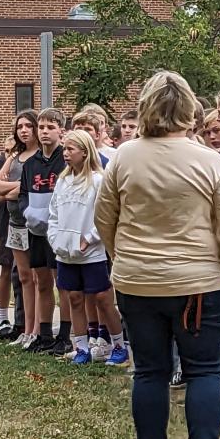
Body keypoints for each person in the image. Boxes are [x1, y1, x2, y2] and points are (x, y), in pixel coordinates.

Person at [94, 70, 220, 439]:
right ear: (191, 110)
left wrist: (121, 257)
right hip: (198, 281)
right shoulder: (209, 160)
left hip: (137, 280)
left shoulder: (124, 157)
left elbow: (103, 218)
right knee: (203, 371)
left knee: (149, 371)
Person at [47, 130, 129, 367]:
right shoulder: (62, 181)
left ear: (85, 152)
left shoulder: (97, 181)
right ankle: (82, 347)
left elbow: (106, 215)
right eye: (65, 149)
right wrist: (55, 239)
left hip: (91, 253)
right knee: (73, 297)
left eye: (71, 149)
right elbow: (54, 214)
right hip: (66, 253)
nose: (66, 153)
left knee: (103, 298)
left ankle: (118, 345)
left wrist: (90, 238)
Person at [0, 112, 39, 346]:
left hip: (36, 226)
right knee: (24, 277)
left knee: (40, 279)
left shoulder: (43, 157)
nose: (24, 130)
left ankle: (39, 329)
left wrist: (14, 191)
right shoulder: (16, 157)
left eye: (29, 125)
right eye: (20, 126)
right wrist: (19, 186)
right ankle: (26, 330)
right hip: (15, 224)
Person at [22, 108, 69, 355]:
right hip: (37, 229)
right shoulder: (31, 164)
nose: (45, 132)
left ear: (61, 130)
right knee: (41, 281)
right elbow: (23, 194)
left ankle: (65, 334)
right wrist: (27, 212)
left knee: (61, 282)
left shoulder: (66, 160)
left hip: (58, 230)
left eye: (50, 127)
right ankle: (44, 333)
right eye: (41, 127)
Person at [0, 135, 19, 337]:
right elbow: (0, 196)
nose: (9, 154)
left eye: (12, 151)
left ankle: (23, 318)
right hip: (5, 224)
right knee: (6, 270)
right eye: (6, 151)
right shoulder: (1, 163)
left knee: (26, 275)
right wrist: (16, 187)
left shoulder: (26, 162)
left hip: (24, 224)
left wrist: (11, 186)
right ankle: (1, 316)